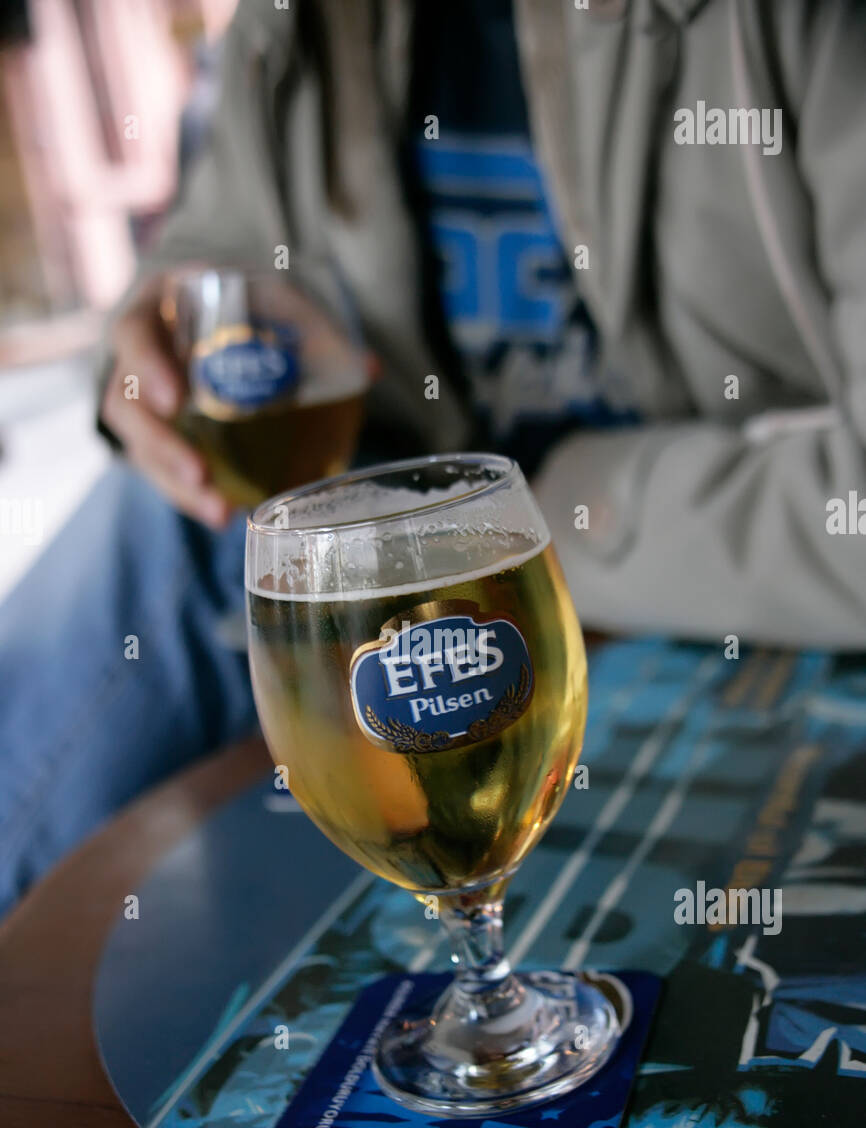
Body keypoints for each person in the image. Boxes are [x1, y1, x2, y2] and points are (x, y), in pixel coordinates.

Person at [2, 0, 865, 917]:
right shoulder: (300, 24)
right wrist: (146, 349)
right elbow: (217, 254)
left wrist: (531, 519)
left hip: (683, 591)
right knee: (163, 524)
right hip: (373, 577)